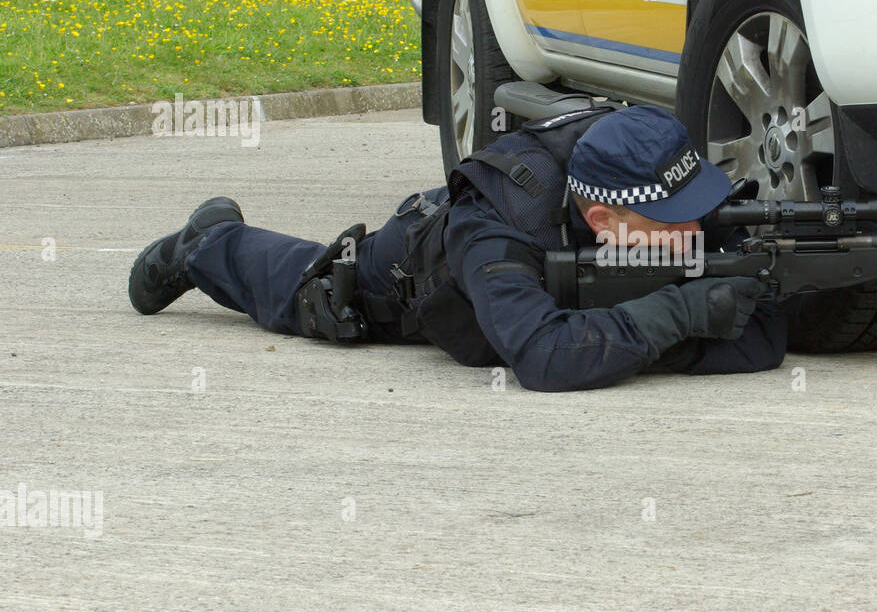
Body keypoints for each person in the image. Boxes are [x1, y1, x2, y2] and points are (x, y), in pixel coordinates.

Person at [128, 105, 789, 392]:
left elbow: (761, 337)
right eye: (670, 220)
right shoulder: (497, 230)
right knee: (315, 294)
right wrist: (680, 316)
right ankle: (208, 242)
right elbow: (543, 356)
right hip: (404, 273)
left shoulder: (643, 169)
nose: (695, 229)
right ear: (601, 217)